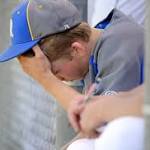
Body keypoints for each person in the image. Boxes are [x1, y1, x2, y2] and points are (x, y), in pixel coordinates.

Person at [0, 0, 144, 148]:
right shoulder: (99, 47)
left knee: (115, 134)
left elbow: (98, 123)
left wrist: (46, 79)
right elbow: (89, 126)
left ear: (76, 50)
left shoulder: (119, 45)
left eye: (56, 72)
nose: (59, 79)